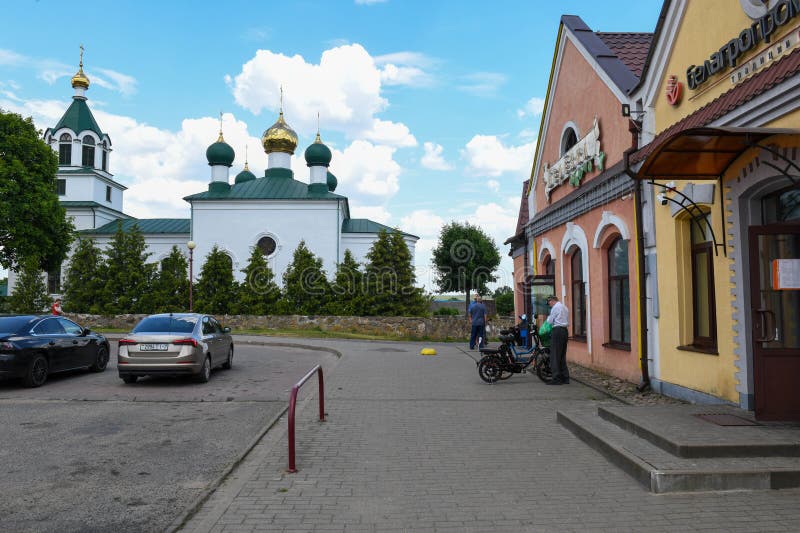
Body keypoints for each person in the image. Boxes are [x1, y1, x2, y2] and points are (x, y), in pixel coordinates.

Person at [545, 295, 569, 385]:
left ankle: (556, 378)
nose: (549, 304)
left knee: (554, 356)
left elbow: (550, 321)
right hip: (564, 331)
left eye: (549, 302)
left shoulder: (555, 308)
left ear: (552, 300)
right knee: (562, 355)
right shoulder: (564, 307)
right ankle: (565, 378)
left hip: (557, 331)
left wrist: (548, 318)